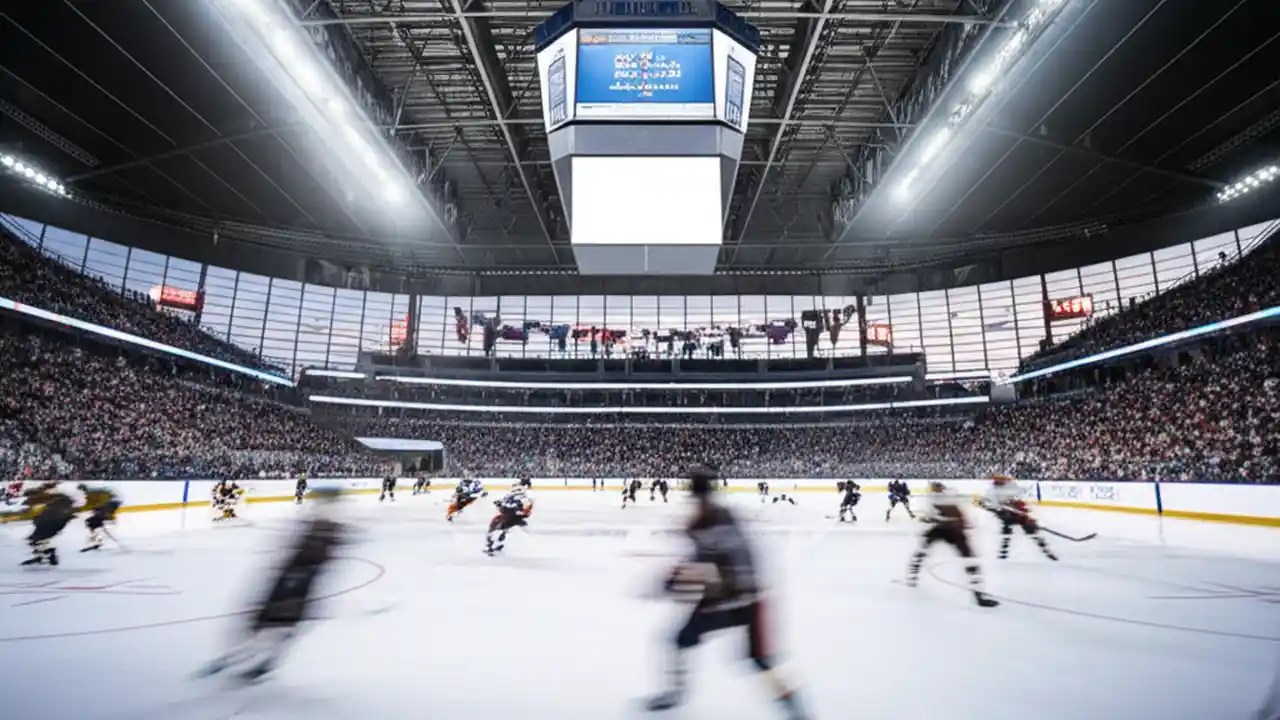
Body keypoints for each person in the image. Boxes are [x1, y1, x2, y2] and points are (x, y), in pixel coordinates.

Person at [645, 465, 809, 719]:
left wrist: (675, 579)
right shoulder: (718, 519)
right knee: (757, 661)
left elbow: (713, 567)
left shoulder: (708, 523)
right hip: (743, 600)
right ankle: (793, 708)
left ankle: (675, 694)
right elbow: (713, 564)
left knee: (689, 642)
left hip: (735, 601)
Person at [197, 486, 348, 682]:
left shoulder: (328, 529)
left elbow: (318, 557)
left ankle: (264, 661)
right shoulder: (317, 525)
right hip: (289, 579)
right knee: (266, 621)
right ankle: (242, 655)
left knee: (282, 626)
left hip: (299, 583)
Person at [906, 481, 998, 608]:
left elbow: (952, 515)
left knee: (969, 558)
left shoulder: (944, 499)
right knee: (924, 549)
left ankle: (978, 595)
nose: (934, 491)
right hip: (944, 529)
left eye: (936, 489)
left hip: (953, 531)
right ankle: (912, 575)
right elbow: (938, 515)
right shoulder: (937, 499)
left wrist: (959, 521)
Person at [980, 475, 1057, 561]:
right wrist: (990, 506)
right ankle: (1003, 553)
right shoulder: (992, 490)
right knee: (1006, 532)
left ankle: (1046, 550)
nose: (1000, 480)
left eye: (1001, 479)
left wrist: (1015, 503)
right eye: (997, 479)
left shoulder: (1011, 485)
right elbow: (989, 503)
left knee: (1031, 530)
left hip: (1019, 513)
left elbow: (1021, 495)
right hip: (1006, 515)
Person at [21, 487, 78, 567]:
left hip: (48, 526)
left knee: (36, 540)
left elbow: (47, 516)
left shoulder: (54, 505)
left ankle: (49, 555)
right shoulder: (53, 504)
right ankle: (46, 555)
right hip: (48, 526)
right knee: (34, 541)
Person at [485, 477, 534, 556]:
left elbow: (523, 507)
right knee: (501, 528)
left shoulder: (523, 494)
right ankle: (495, 544)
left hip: (513, 516)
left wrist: (503, 506)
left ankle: (493, 545)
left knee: (499, 528)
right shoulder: (521, 494)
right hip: (513, 515)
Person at [78, 484, 122, 552]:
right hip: (109, 505)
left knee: (92, 521)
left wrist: (99, 509)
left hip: (112, 503)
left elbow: (103, 500)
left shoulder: (92, 494)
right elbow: (89, 505)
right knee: (91, 522)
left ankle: (97, 540)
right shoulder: (90, 495)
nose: (82, 493)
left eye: (82, 490)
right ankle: (97, 540)